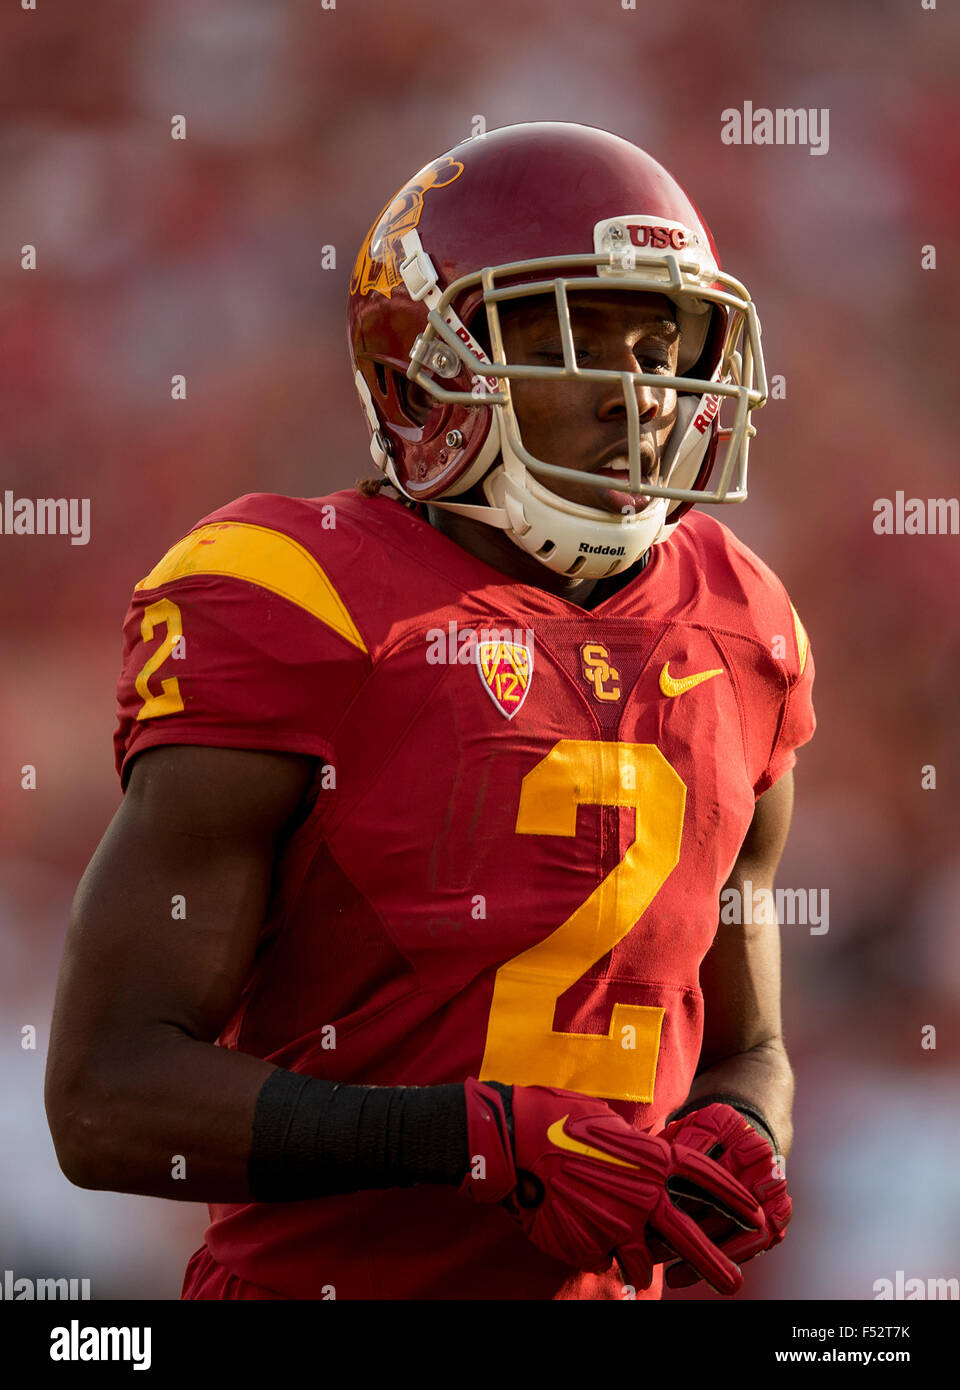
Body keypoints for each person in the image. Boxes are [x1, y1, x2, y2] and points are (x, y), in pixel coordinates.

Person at [45, 121, 814, 1301]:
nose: (642, 396)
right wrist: (470, 1140)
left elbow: (746, 1046)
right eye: (580, 343)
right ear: (424, 369)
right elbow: (104, 1097)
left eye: (664, 348)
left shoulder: (740, 618)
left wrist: (740, 1130)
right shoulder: (300, 597)